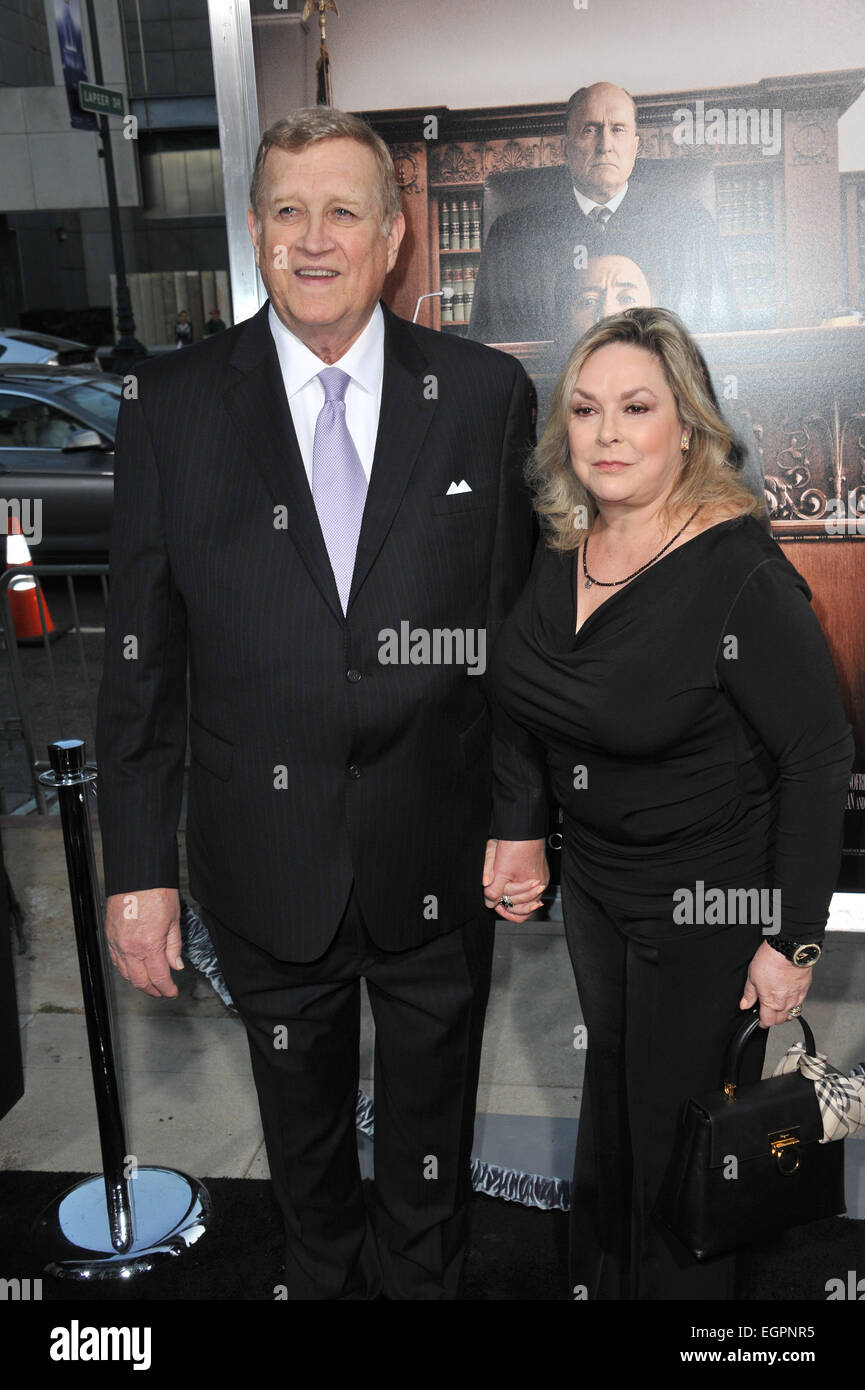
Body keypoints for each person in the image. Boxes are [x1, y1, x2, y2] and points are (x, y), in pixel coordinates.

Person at [95, 105, 549, 1301]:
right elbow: (138, 661)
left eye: (343, 210)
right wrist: (136, 869)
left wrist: (521, 815)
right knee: (303, 1156)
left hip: (437, 851)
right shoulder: (171, 406)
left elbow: (513, 641)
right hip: (263, 855)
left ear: (393, 236)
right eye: (286, 211)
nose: (313, 238)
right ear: (253, 231)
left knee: (429, 1148)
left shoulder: (486, 395)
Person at [487, 306, 853, 1299]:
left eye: (636, 407)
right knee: (612, 1120)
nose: (607, 434)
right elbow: (524, 694)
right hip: (600, 895)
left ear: (686, 426)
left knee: (681, 1151)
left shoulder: (735, 573)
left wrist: (792, 942)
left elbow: (819, 756)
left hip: (709, 912)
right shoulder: (564, 543)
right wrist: (519, 826)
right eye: (587, 409)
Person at [468, 82, 739, 344]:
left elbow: (720, 343)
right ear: (566, 149)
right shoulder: (513, 235)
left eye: (618, 129)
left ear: (635, 147)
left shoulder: (689, 225)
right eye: (589, 130)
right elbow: (489, 350)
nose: (604, 144)